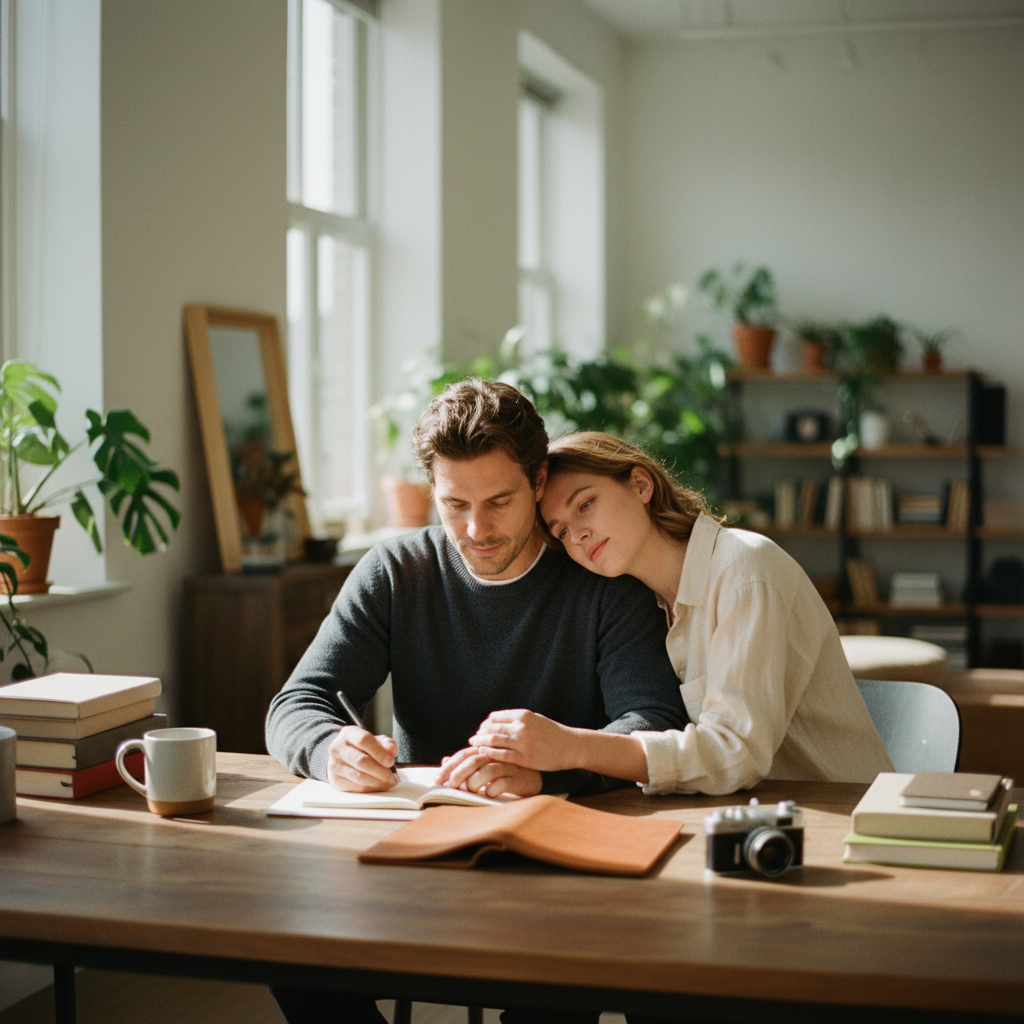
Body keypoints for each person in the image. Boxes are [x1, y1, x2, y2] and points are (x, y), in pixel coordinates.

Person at [265, 384, 689, 1024]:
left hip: (561, 866)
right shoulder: (396, 570)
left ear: (538, 481)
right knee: (290, 952)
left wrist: (552, 770)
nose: (476, 530)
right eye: (454, 504)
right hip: (418, 858)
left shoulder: (602, 578)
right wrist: (330, 749)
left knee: (558, 989)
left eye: (499, 502)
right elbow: (298, 701)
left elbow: (654, 720)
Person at [438, 431, 893, 796]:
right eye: (560, 530)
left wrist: (571, 747)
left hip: (848, 816)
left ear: (640, 484)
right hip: (754, 817)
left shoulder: (744, 569)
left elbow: (735, 751)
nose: (577, 534)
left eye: (586, 504)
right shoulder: (649, 602)